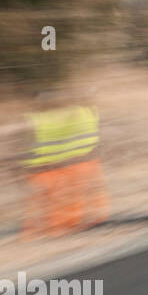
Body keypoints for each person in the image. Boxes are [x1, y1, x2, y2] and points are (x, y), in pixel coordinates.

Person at [21, 101, 110, 238]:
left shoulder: (33, 120)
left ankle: (56, 231)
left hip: (48, 168)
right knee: (80, 197)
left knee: (52, 205)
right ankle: (79, 225)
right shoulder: (87, 112)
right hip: (84, 161)